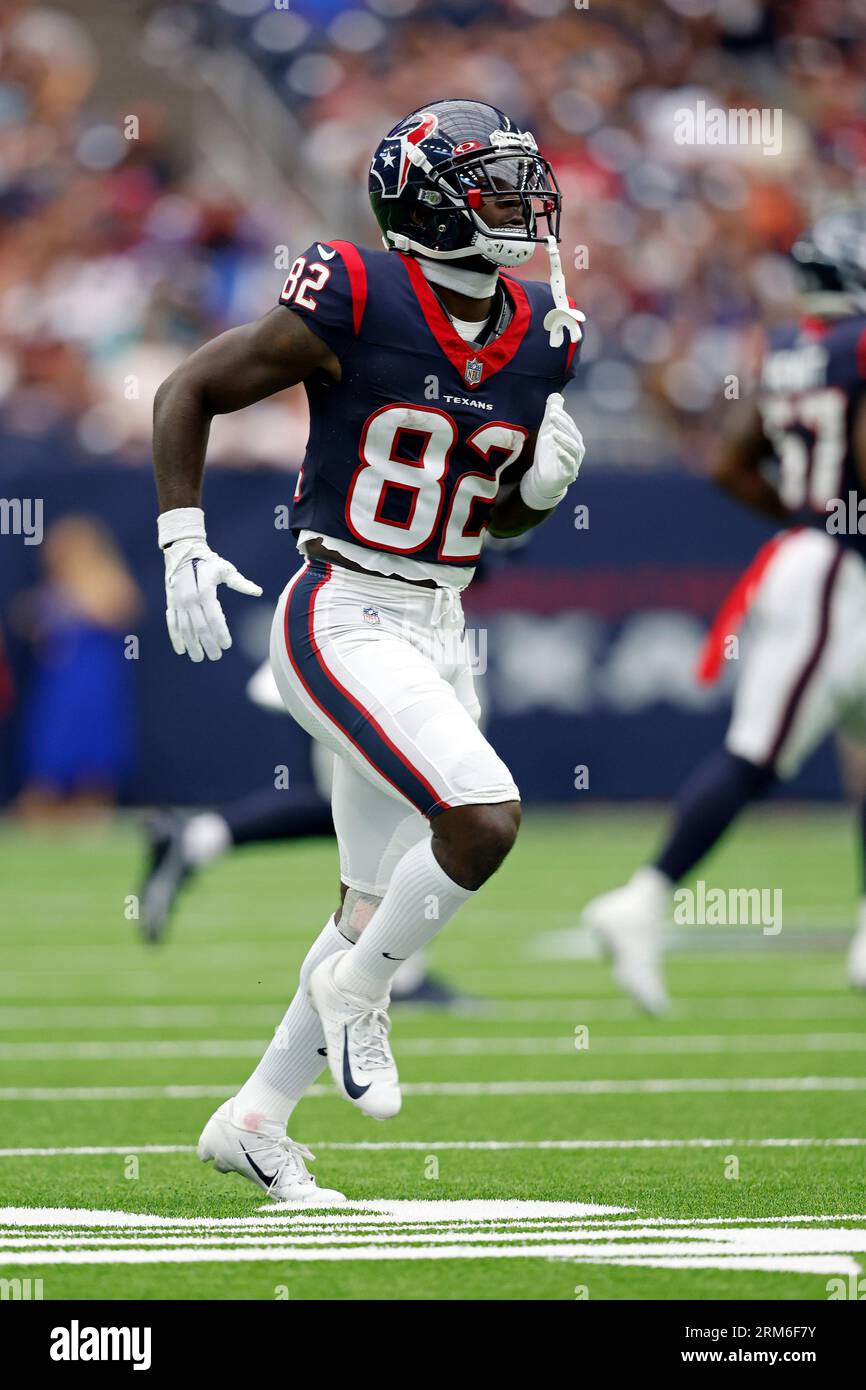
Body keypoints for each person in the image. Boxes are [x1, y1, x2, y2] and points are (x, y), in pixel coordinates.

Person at [152, 100, 585, 1205]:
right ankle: (360, 992)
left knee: (368, 898)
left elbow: (480, 517)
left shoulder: (535, 327)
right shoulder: (356, 287)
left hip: (439, 620)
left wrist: (533, 496)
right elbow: (188, 387)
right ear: (429, 199)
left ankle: (254, 1118)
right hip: (342, 608)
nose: (521, 203)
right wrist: (181, 539)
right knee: (482, 814)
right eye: (492, 181)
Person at [581, 210, 866, 1013]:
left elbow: (732, 462)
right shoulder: (857, 346)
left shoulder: (789, 353)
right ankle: (641, 899)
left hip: (819, 558)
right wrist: (828, 524)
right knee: (758, 753)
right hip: (838, 572)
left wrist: (808, 516)